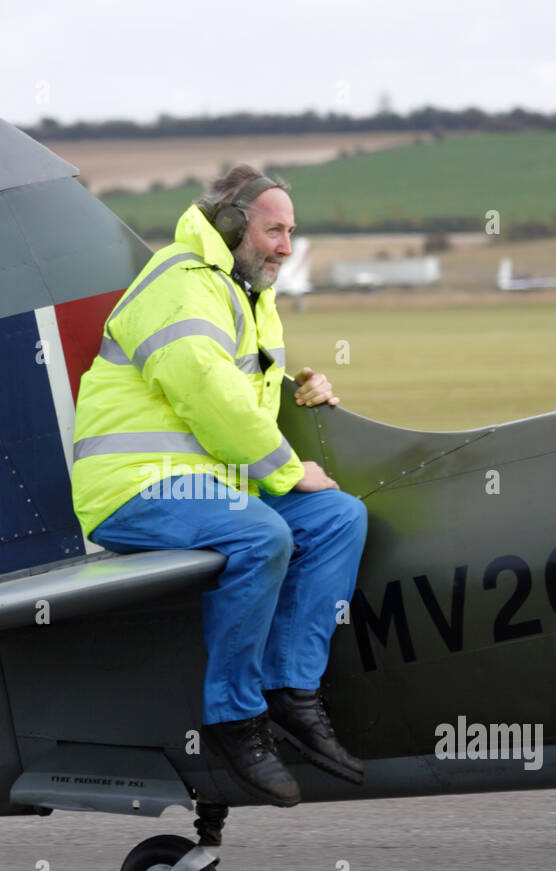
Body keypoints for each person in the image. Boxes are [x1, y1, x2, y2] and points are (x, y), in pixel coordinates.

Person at [71, 164, 367, 806]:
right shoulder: (181, 284)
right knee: (263, 535)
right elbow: (208, 390)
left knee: (339, 518)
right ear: (231, 224)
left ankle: (292, 692)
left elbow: (242, 395)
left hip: (209, 488)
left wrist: (303, 393)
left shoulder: (249, 298)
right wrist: (289, 471)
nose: (286, 247)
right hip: (134, 487)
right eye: (274, 230)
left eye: (291, 232)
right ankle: (233, 719)